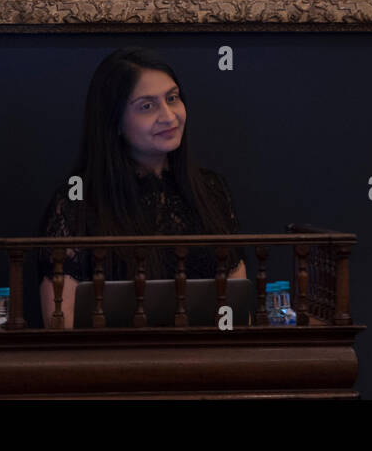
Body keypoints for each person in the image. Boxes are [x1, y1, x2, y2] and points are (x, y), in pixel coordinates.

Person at [39, 49, 247, 327]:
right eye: (147, 106)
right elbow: (60, 323)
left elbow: (237, 307)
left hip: (207, 361)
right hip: (113, 364)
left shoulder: (211, 189)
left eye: (172, 98)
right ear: (115, 122)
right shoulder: (76, 202)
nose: (169, 116)